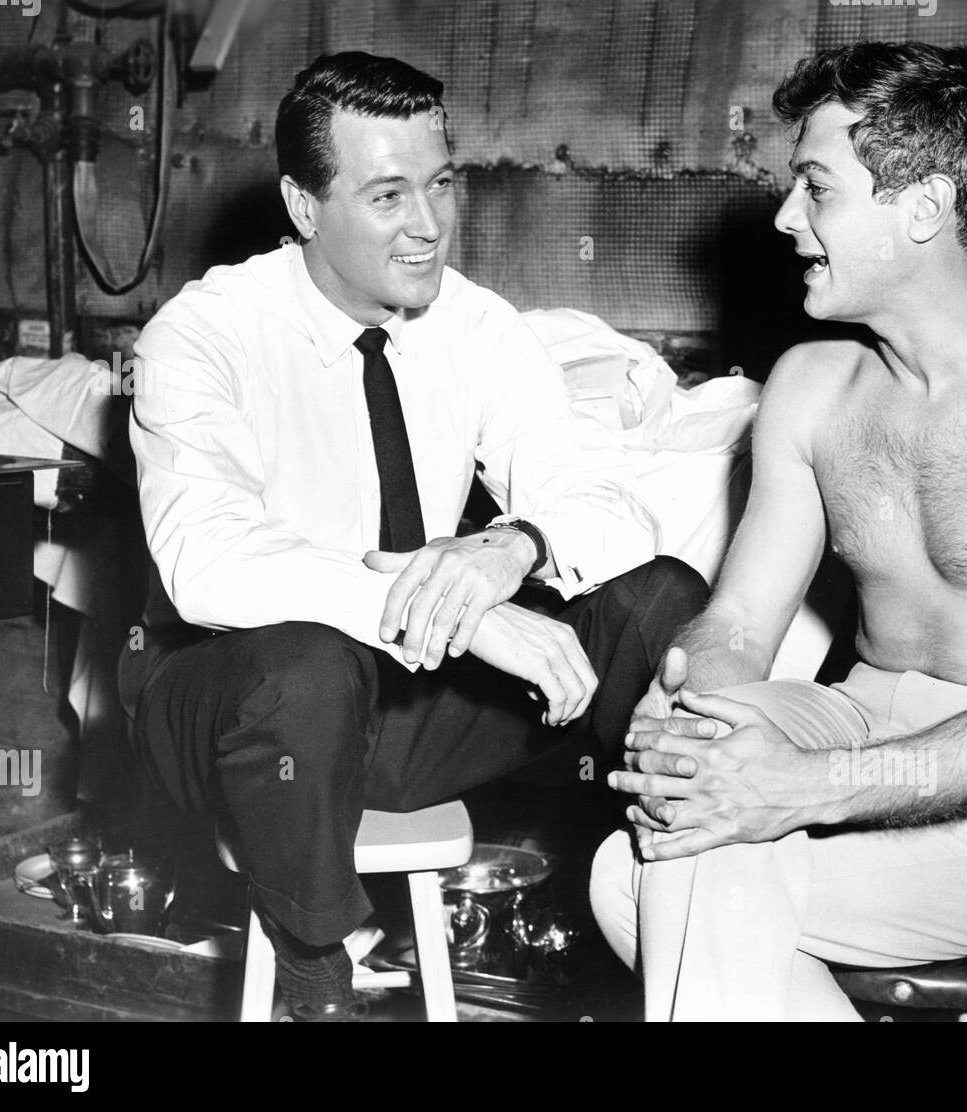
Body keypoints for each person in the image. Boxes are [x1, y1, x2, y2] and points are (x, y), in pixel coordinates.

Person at [118, 52, 707, 1020]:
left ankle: (696, 934)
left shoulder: (475, 325)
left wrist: (506, 549)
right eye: (388, 194)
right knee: (304, 669)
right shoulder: (206, 331)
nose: (429, 225)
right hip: (238, 705)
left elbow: (607, 498)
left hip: (405, 707)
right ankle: (315, 976)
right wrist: (449, 611)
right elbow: (204, 557)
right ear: (306, 206)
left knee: (661, 599)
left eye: (440, 184)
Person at [591, 41, 967, 1021]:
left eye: (815, 188)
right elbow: (736, 625)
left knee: (673, 872)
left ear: (923, 207)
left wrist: (795, 789)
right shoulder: (814, 387)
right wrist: (691, 714)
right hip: (858, 711)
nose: (783, 217)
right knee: (653, 845)